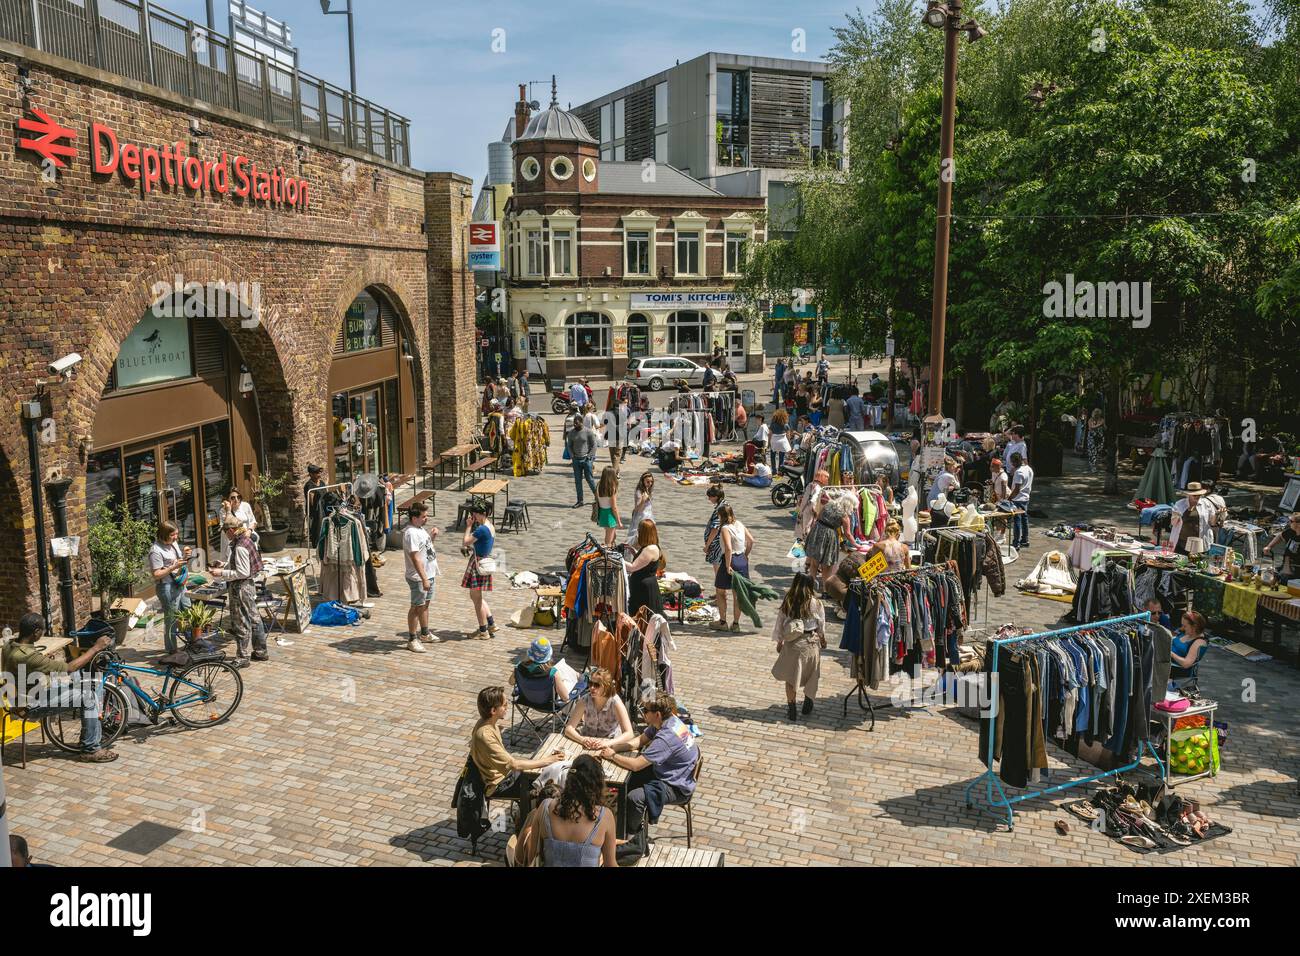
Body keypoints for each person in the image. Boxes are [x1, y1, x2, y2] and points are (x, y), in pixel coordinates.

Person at [3, 613, 118, 763]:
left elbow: (23, 669)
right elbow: (69, 667)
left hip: (26, 694)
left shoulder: (9, 645)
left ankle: (92, 728)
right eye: (43, 630)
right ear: (36, 632)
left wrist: (43, 664)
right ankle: (91, 749)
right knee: (88, 698)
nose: (43, 633)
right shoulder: (28, 656)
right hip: (30, 705)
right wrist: (95, 648)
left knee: (82, 679)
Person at [599, 693, 698, 858]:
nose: (642, 713)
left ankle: (634, 842)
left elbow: (636, 765)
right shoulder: (667, 720)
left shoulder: (666, 738)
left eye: (645, 710)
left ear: (657, 714)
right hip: (671, 771)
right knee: (624, 782)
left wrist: (612, 757)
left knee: (634, 797)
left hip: (677, 785)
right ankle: (619, 828)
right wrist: (614, 748)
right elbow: (639, 741)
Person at [513, 754, 617, 867]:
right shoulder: (605, 816)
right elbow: (610, 864)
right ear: (596, 784)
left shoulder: (545, 807)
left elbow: (532, 856)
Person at [470, 686, 565, 801]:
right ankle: (530, 816)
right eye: (504, 705)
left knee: (543, 775)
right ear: (493, 711)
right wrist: (547, 760)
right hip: (497, 784)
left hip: (504, 775)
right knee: (545, 787)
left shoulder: (487, 722)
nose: (507, 707)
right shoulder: (485, 735)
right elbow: (514, 765)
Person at [210, 516, 266, 667]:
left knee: (240, 621)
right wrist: (224, 564)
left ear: (230, 530)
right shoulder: (246, 540)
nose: (224, 534)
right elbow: (241, 564)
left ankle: (242, 657)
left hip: (240, 587)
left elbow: (242, 572)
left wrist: (221, 573)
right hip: (247, 585)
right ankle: (261, 651)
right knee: (254, 617)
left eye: (225, 532)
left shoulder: (240, 546)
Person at [770, 573, 827, 721]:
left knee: (791, 678)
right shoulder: (816, 603)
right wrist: (823, 639)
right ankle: (808, 701)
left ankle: (792, 708)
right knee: (812, 675)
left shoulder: (789, 600)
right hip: (811, 643)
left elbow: (780, 623)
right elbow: (821, 626)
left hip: (792, 644)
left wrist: (779, 641)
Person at [563, 668, 635, 750]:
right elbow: (569, 728)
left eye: (596, 685)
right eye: (590, 683)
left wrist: (607, 743)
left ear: (606, 686)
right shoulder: (584, 700)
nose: (592, 687)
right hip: (587, 742)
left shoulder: (615, 702)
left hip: (609, 743)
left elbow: (629, 734)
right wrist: (582, 740)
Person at [148, 521, 191, 655]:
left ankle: (192, 641)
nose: (176, 537)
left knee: (187, 611)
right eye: (173, 535)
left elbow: (178, 561)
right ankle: (172, 651)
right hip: (166, 587)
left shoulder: (173, 544)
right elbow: (156, 574)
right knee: (172, 619)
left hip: (179, 584)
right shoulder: (155, 551)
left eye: (177, 534)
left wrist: (186, 557)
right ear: (163, 535)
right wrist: (173, 567)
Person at [402, 501, 439, 653]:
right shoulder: (410, 533)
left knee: (425, 605)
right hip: (418, 577)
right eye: (424, 516)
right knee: (416, 607)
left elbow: (425, 548)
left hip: (428, 574)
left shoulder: (419, 529)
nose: (426, 518)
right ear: (414, 518)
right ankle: (412, 639)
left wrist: (432, 536)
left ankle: (424, 633)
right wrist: (423, 578)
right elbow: (415, 558)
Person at [713, 504, 754, 632]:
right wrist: (745, 555)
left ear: (721, 516)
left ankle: (723, 622)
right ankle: (736, 624)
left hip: (731, 560)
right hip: (741, 559)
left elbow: (728, 548)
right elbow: (751, 540)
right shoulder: (740, 524)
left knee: (720, 591)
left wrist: (727, 565)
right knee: (738, 595)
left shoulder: (725, 528)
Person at [461, 499, 497, 639]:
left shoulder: (481, 529)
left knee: (476, 599)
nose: (473, 517)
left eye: (475, 514)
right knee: (477, 597)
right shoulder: (489, 525)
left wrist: (468, 526)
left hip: (478, 564)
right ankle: (491, 623)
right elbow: (482, 544)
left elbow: (466, 541)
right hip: (483, 560)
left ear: (482, 514)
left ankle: (483, 631)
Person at [804, 489, 852, 588]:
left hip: (817, 531)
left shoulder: (827, 505)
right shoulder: (844, 515)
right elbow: (848, 534)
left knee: (814, 563)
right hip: (830, 536)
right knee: (827, 566)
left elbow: (818, 517)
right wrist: (856, 544)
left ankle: (809, 587)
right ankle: (826, 591)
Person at [514, 635, 579, 703]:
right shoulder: (553, 673)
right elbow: (565, 698)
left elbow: (511, 682)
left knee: (561, 667)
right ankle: (580, 677)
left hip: (526, 699)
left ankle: (578, 676)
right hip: (547, 703)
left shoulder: (519, 667)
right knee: (564, 670)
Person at [626, 519, 666, 619]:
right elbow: (644, 563)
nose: (638, 532)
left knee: (644, 618)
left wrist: (618, 559)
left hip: (643, 589)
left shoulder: (650, 549)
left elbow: (632, 567)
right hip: (642, 585)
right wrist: (635, 552)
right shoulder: (649, 546)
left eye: (639, 530)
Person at [1169, 482, 1216, 555]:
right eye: (1194, 495)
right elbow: (1173, 523)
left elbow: (1212, 523)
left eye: (1199, 495)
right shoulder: (1180, 504)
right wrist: (1177, 515)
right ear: (1189, 495)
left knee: (1198, 564)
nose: (1197, 497)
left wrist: (1218, 514)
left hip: (1200, 544)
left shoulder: (1207, 504)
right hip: (1182, 543)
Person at [566, 414, 598, 509]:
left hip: (586, 460)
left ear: (582, 422)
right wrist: (572, 456)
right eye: (574, 423)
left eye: (577, 423)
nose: (575, 425)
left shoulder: (588, 432)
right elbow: (569, 446)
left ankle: (598, 497)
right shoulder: (571, 433)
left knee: (590, 480)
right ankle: (580, 501)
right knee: (578, 481)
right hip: (576, 460)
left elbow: (594, 445)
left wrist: (589, 457)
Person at [1008, 452, 1034, 550]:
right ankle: (1025, 540)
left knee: (1017, 521)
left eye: (1012, 462)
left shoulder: (1019, 472)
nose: (1011, 464)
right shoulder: (1029, 469)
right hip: (1026, 497)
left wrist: (1009, 498)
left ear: (1015, 462)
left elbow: (1017, 488)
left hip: (1017, 499)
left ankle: (1016, 543)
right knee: (1024, 519)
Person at [1264, 512, 1300, 580]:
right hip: (1285, 567)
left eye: (1291, 521)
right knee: (1264, 574)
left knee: (1281, 579)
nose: (1289, 523)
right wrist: (1269, 546)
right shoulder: (1291, 531)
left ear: (1298, 524)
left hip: (1296, 570)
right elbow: (1280, 536)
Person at [625, 472, 656, 545]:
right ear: (643, 481)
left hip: (648, 515)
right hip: (641, 517)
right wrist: (643, 500)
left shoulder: (647, 489)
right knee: (637, 537)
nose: (650, 483)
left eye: (651, 481)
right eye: (648, 482)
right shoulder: (639, 492)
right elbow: (638, 508)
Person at [595, 466, 622, 547]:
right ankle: (607, 555)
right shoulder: (611, 488)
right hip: (609, 514)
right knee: (608, 541)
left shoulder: (599, 484)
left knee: (612, 535)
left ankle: (611, 549)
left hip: (602, 512)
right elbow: (614, 507)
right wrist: (619, 521)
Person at [798, 469, 830, 538]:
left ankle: (803, 539)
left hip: (804, 509)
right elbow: (813, 499)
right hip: (810, 510)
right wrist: (815, 511)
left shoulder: (810, 484)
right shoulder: (818, 488)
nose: (827, 480)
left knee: (804, 527)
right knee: (808, 528)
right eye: (826, 478)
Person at [703, 485, 726, 578]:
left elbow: (715, 529)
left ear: (716, 496)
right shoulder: (723, 505)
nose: (709, 499)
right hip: (720, 542)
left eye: (710, 497)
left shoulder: (720, 509)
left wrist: (707, 545)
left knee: (717, 567)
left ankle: (720, 591)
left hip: (717, 544)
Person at [303, 463, 326, 549]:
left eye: (319, 472)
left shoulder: (322, 483)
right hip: (314, 511)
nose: (319, 474)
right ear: (311, 474)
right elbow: (312, 503)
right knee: (316, 526)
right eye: (316, 473)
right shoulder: (309, 485)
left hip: (324, 507)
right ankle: (317, 543)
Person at [769, 408, 792, 472]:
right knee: (781, 457)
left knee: (772, 456)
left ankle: (774, 470)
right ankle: (780, 470)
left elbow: (769, 434)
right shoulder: (786, 425)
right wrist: (789, 444)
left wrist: (769, 443)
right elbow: (788, 436)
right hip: (782, 442)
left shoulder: (772, 424)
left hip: (774, 441)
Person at [1086, 408, 1106, 473]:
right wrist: (1100, 424)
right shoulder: (1090, 420)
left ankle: (1095, 465)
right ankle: (1093, 466)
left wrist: (1104, 426)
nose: (1097, 415)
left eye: (1098, 414)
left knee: (1098, 451)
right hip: (1092, 438)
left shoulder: (1102, 420)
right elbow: (1091, 427)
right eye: (1096, 414)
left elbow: (1105, 428)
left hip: (1100, 438)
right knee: (1092, 452)